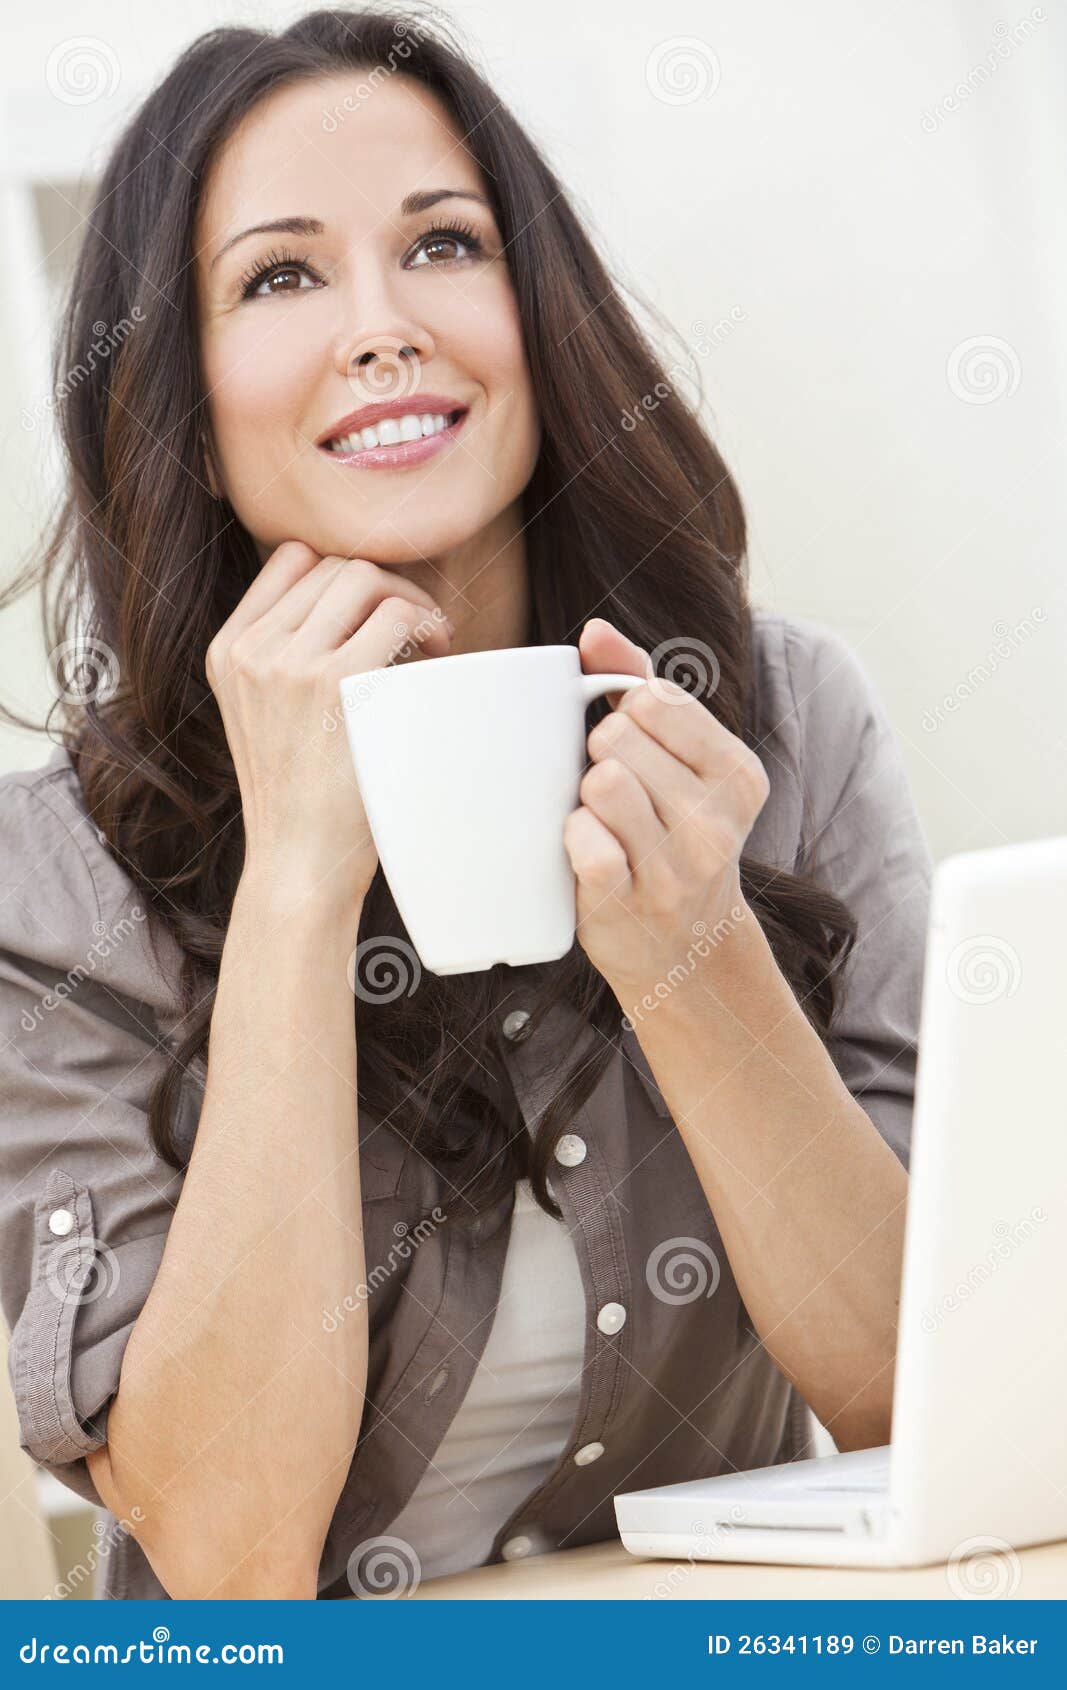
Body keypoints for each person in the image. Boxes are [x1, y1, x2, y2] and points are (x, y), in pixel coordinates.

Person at [0, 8, 932, 1600]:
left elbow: (918, 1394)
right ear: (182, 403)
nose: (382, 327)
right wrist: (300, 879)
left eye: (445, 243)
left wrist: (693, 957)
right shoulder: (54, 876)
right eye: (279, 276)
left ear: (540, 314)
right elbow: (224, 1565)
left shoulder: (784, 727)